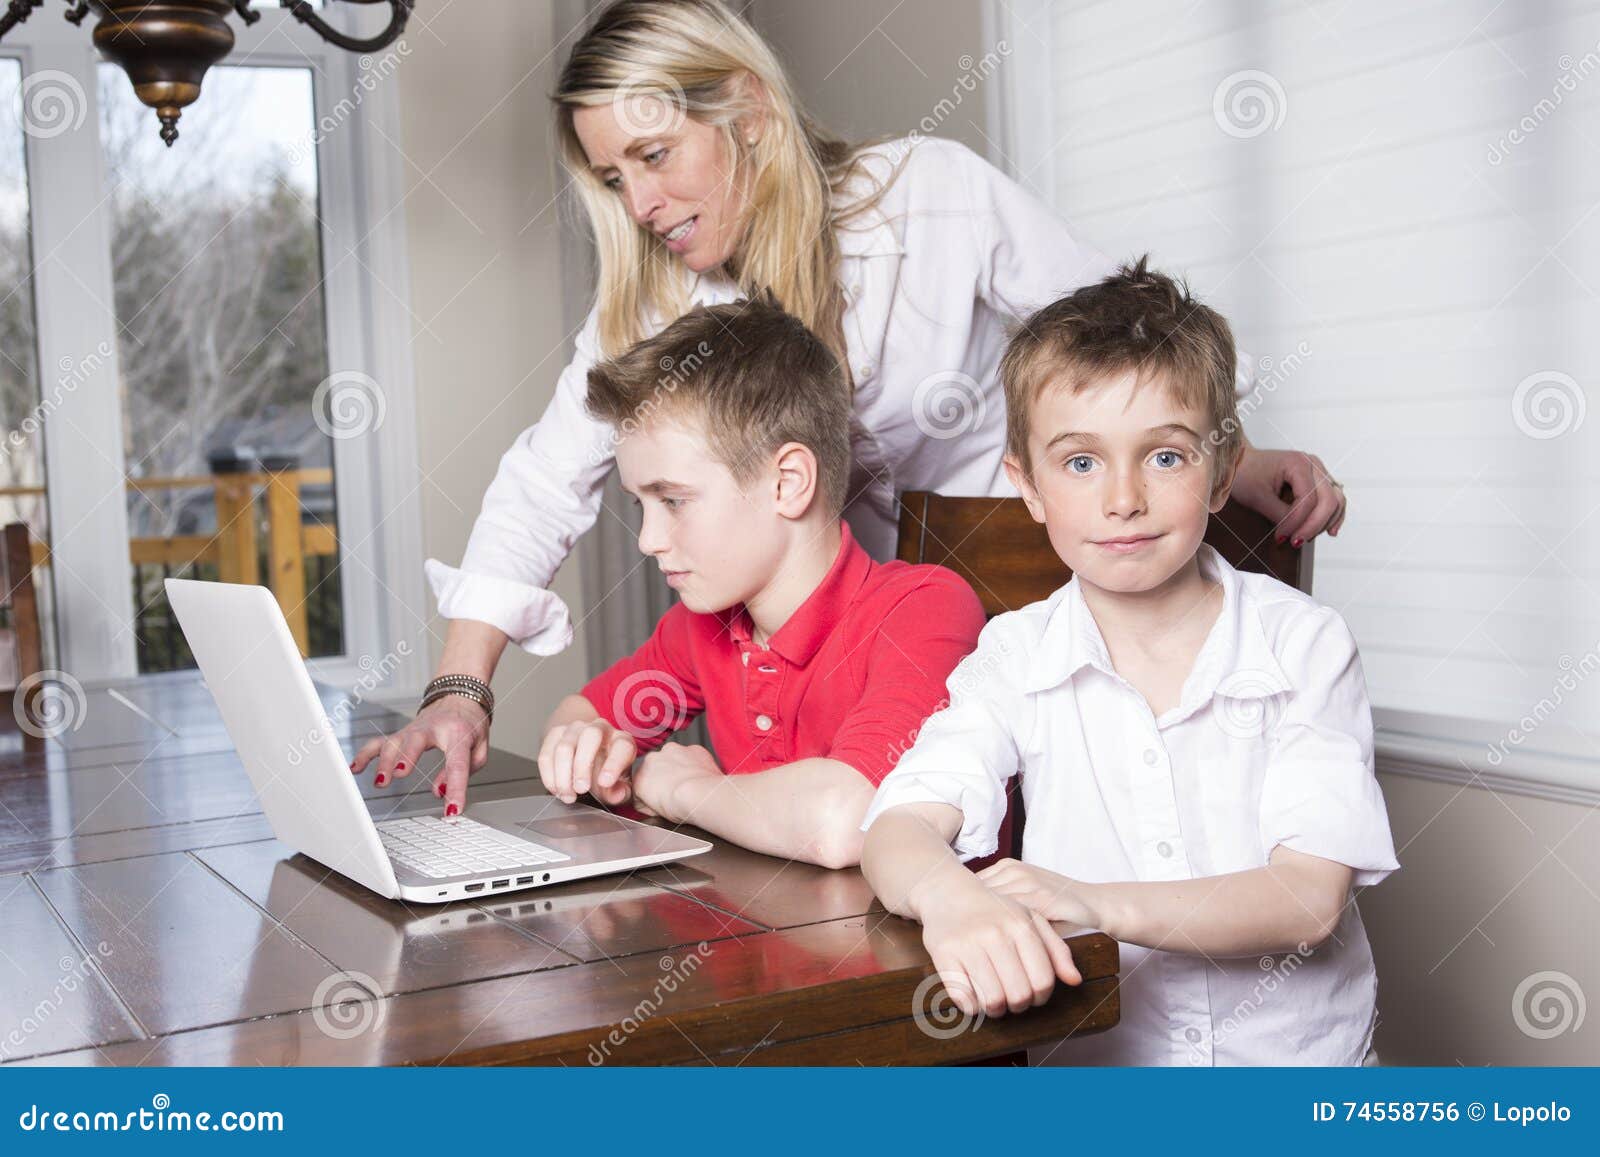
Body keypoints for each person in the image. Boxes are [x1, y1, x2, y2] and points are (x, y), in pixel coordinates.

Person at [351, 0, 1348, 812]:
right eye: (614, 178)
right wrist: (459, 688)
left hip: (1024, 585)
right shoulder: (652, 308)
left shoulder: (928, 190)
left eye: (654, 157)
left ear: (747, 110)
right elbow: (543, 481)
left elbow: (1120, 341)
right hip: (847, 645)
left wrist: (1236, 456)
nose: (639, 205)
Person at [859, 258, 1399, 1065]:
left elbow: (1306, 897)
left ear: (1222, 471)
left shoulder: (1304, 643)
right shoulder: (1015, 653)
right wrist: (950, 899)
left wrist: (1090, 902)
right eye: (1080, 462)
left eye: (1165, 456)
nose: (1122, 499)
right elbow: (898, 824)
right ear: (1028, 486)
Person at [532, 296, 982, 866]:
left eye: (673, 500)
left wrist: (685, 789)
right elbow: (579, 712)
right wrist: (583, 745)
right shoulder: (703, 627)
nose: (647, 540)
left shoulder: (924, 609)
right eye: (641, 504)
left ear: (787, 483)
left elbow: (844, 824)